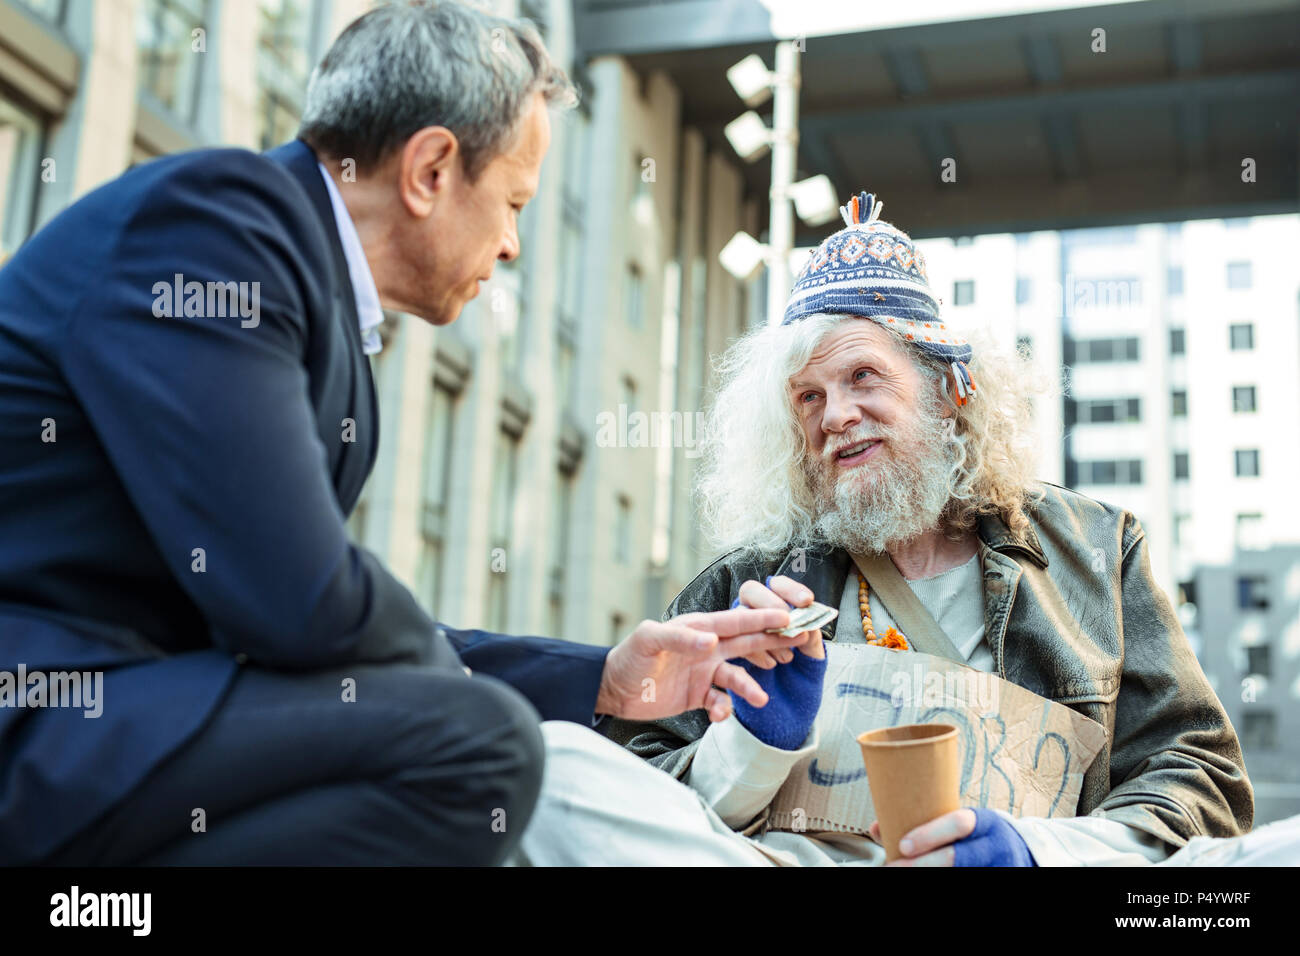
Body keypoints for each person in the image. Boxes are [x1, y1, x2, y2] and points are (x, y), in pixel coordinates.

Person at [0, 0, 808, 866]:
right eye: (513, 203)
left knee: (482, 736)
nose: (512, 247)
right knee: (477, 747)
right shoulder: (215, 231)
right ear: (430, 170)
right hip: (47, 714)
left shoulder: (306, 298)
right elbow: (305, 602)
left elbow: (336, 618)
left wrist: (601, 681)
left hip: (140, 703)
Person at [512, 192, 1295, 867]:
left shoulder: (1098, 549)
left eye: (863, 377)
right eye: (808, 399)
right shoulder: (740, 590)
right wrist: (749, 742)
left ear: (948, 388)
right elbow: (634, 811)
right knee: (558, 772)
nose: (836, 417)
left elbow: (1199, 781)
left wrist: (1034, 853)